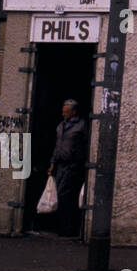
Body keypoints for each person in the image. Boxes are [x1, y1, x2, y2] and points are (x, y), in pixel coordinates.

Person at [48, 99, 88, 238]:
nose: (63, 113)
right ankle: (63, 226)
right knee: (60, 195)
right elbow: (57, 146)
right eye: (63, 111)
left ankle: (69, 228)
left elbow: (87, 145)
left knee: (66, 196)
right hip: (60, 165)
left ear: (73, 112)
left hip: (73, 165)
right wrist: (52, 163)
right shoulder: (61, 126)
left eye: (66, 112)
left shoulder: (81, 126)